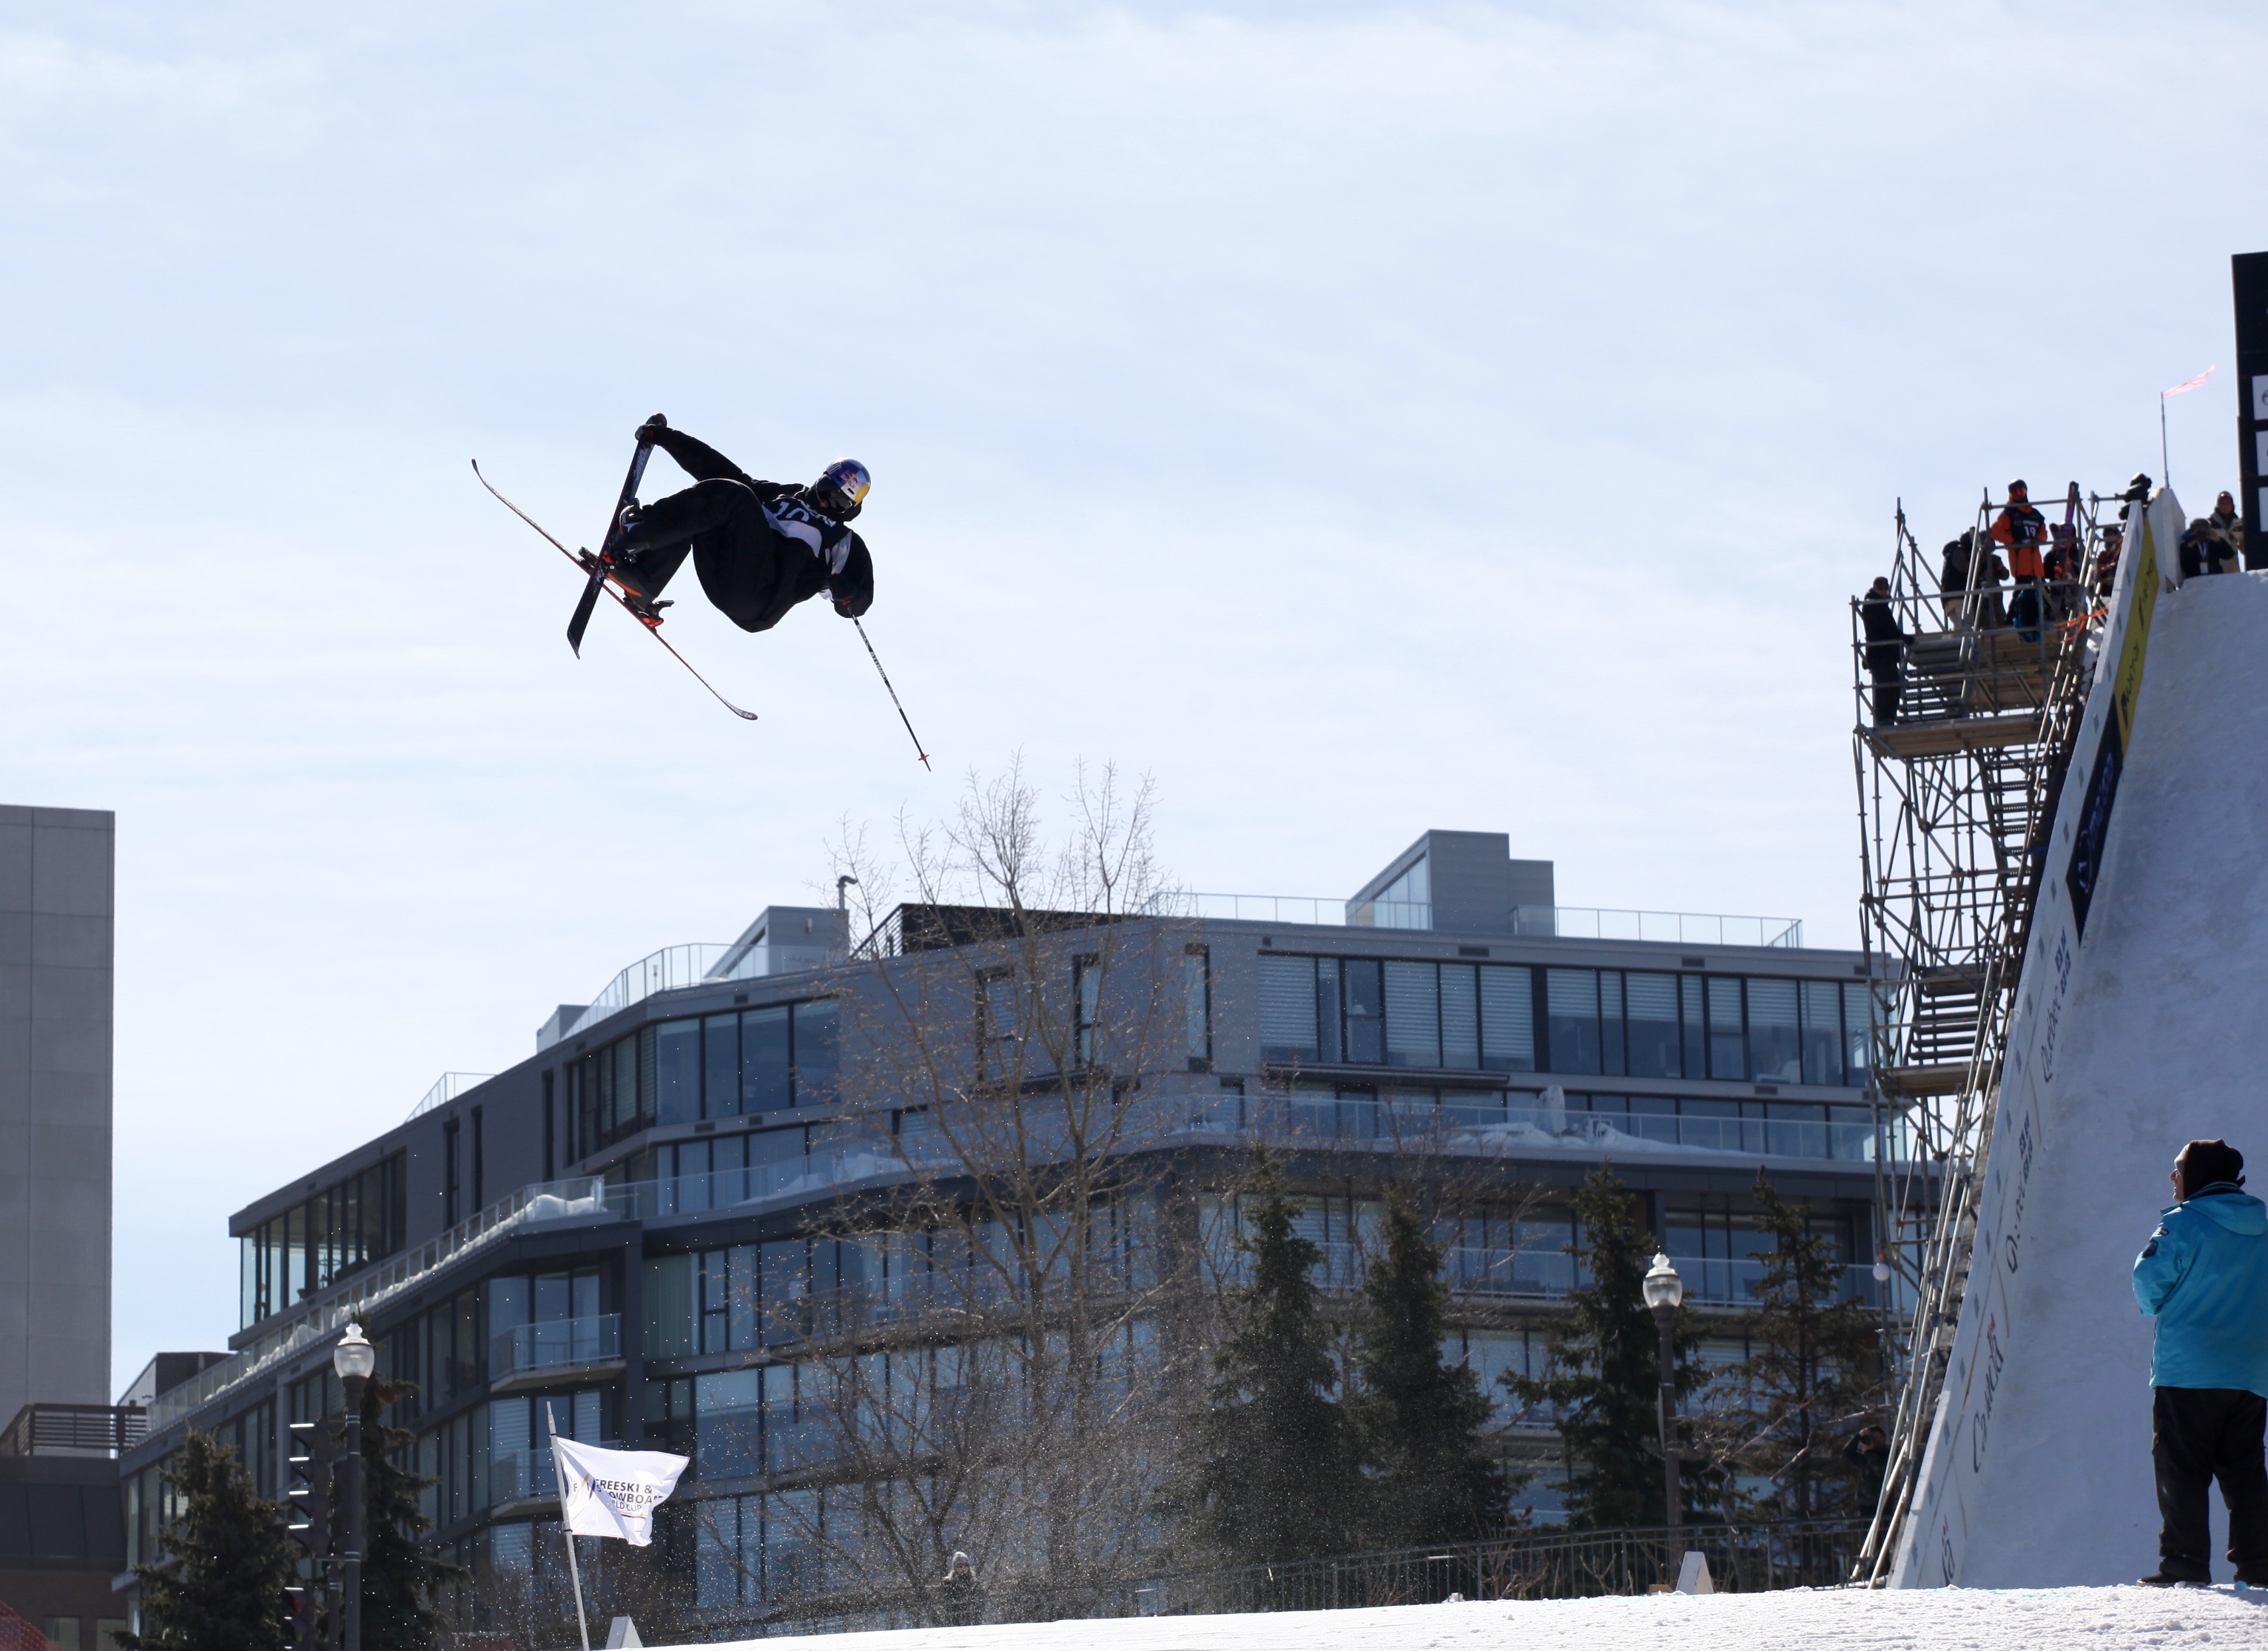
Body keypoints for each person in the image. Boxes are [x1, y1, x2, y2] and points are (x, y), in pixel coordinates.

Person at [2132, 1137, 2268, 1587]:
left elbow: (2148, 1283)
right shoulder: (2263, 1225)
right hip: (2251, 1371)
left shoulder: (2184, 1224)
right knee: (2245, 1471)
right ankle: (2259, 1566)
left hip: (2188, 1368)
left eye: (2179, 1168)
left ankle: (2185, 1565)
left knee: (2182, 1466)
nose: (2173, 1178)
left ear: (2199, 1175)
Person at [606, 414, 875, 632]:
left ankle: (636, 534)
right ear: (821, 480)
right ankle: (643, 580)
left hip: (763, 595)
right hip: (729, 575)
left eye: (839, 503)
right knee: (709, 502)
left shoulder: (843, 540)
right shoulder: (787, 495)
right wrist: (667, 439)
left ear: (851, 509)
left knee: (733, 496)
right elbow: (721, 474)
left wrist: (847, 593)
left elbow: (859, 603)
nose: (827, 503)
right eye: (827, 491)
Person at [1991, 480, 2048, 639]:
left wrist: (2039, 538)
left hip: (2036, 562)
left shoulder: (2035, 515)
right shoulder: (2009, 513)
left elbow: (2043, 532)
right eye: (2016, 493)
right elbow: (1994, 531)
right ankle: (2010, 620)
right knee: (2021, 592)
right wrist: (2011, 541)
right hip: (2021, 561)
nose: (2019, 495)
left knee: (2041, 591)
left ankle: (2042, 618)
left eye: (2021, 492)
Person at [1860, 576, 1908, 726]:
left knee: (1891, 685)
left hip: (1884, 653)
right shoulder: (1873, 605)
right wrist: (1902, 637)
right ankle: (1884, 719)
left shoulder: (1879, 605)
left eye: (1886, 588)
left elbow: (1885, 628)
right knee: (1886, 686)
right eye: (1880, 588)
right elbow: (1885, 628)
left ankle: (1887, 718)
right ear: (1874, 588)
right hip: (1880, 653)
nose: (1884, 591)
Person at [1941, 531, 1976, 628]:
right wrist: (1975, 566)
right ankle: (1961, 643)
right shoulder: (1959, 551)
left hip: (1950, 595)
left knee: (1960, 625)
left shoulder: (1952, 552)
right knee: (1964, 626)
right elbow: (1963, 567)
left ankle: (1958, 642)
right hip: (1957, 594)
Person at [2208, 492, 2244, 575]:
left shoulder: (2239, 524)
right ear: (2218, 505)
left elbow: (2243, 546)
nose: (2225, 506)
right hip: (2216, 563)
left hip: (2233, 563)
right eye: (2222, 503)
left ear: (2232, 505)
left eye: (2227, 503)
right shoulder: (2210, 523)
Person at [940, 1550, 980, 1625]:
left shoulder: (973, 1581)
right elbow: (949, 1598)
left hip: (972, 1615)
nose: (963, 1569)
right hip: (954, 1616)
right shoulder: (949, 1582)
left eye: (966, 1566)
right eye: (960, 1566)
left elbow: (978, 1597)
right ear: (955, 1568)